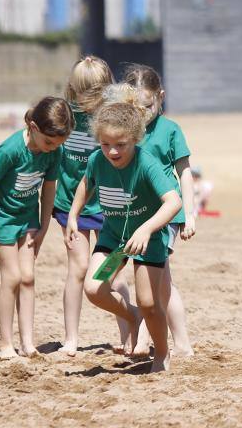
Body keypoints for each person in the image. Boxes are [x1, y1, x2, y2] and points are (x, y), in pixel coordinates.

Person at [66, 98, 182, 373]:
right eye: (105, 144)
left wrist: (147, 228)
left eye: (121, 145)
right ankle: (133, 316)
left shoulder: (146, 163)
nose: (112, 151)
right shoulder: (97, 160)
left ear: (135, 138)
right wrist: (73, 215)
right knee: (94, 288)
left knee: (150, 303)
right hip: (114, 240)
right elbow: (86, 184)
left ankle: (162, 354)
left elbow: (173, 202)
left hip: (147, 242)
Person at [0, 97, 74, 359]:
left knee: (28, 278)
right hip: (3, 220)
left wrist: (44, 226)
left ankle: (28, 343)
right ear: (32, 127)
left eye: (58, 144)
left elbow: (49, 187)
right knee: (12, 277)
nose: (52, 148)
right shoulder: (10, 150)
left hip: (29, 218)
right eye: (49, 142)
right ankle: (6, 345)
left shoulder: (55, 151)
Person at [53, 56, 131, 356]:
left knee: (114, 272)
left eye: (93, 92)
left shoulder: (113, 116)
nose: (87, 100)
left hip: (109, 205)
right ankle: (71, 339)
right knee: (78, 267)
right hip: (70, 204)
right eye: (81, 91)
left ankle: (127, 333)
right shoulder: (65, 115)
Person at [122, 64, 195, 358]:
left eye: (149, 105)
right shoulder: (125, 131)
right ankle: (179, 343)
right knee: (160, 282)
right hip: (136, 216)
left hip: (167, 215)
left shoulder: (170, 130)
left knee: (156, 278)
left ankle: (149, 341)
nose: (143, 113)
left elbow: (185, 173)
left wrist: (189, 214)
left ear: (161, 97)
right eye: (136, 107)